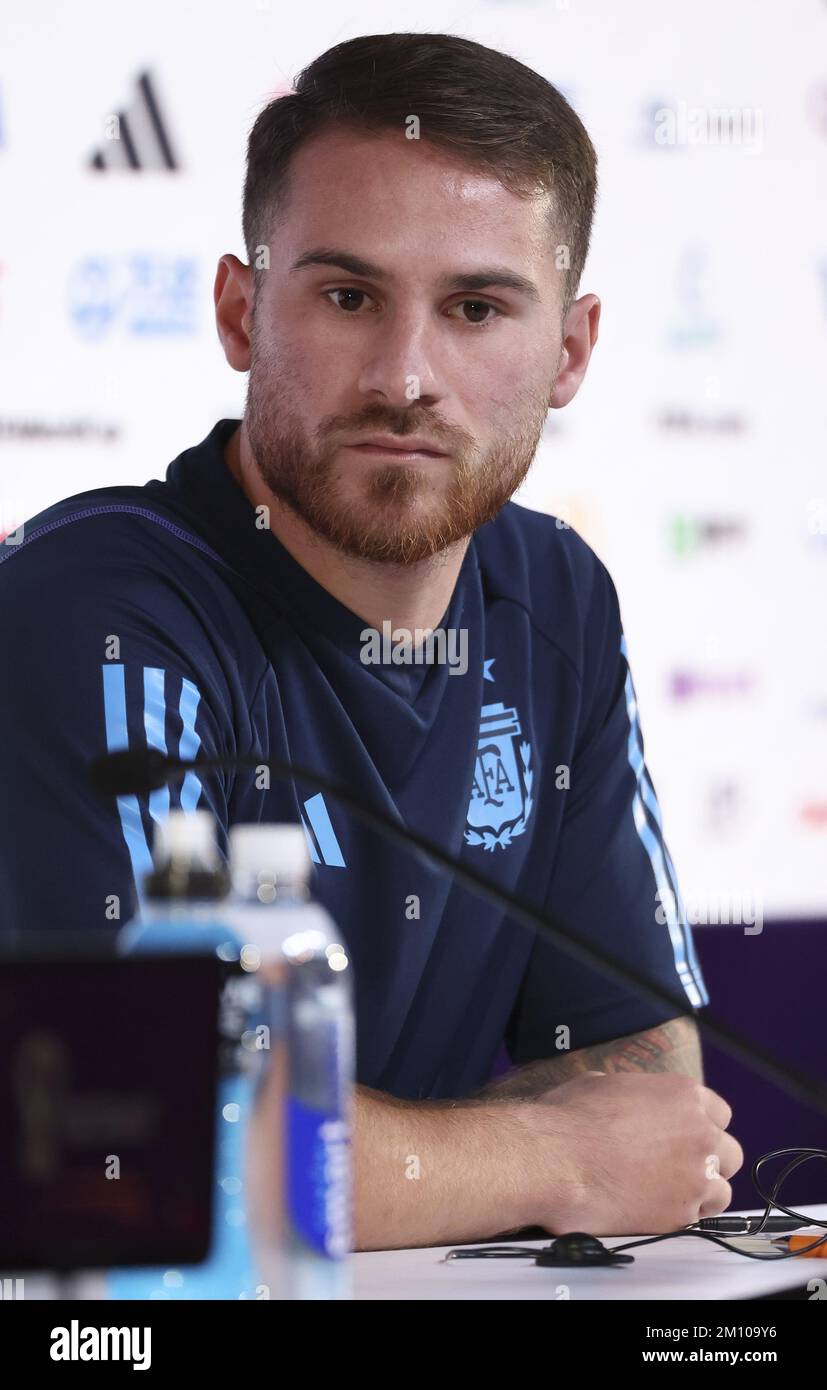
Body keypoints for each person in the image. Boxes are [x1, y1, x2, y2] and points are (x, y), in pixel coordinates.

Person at [0, 32, 742, 1250]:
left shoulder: (553, 594)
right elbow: (126, 1138)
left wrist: (339, 1151)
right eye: (348, 297)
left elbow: (638, 1073)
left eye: (475, 308)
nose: (406, 376)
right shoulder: (94, 617)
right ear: (241, 312)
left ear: (569, 352)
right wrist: (543, 1152)